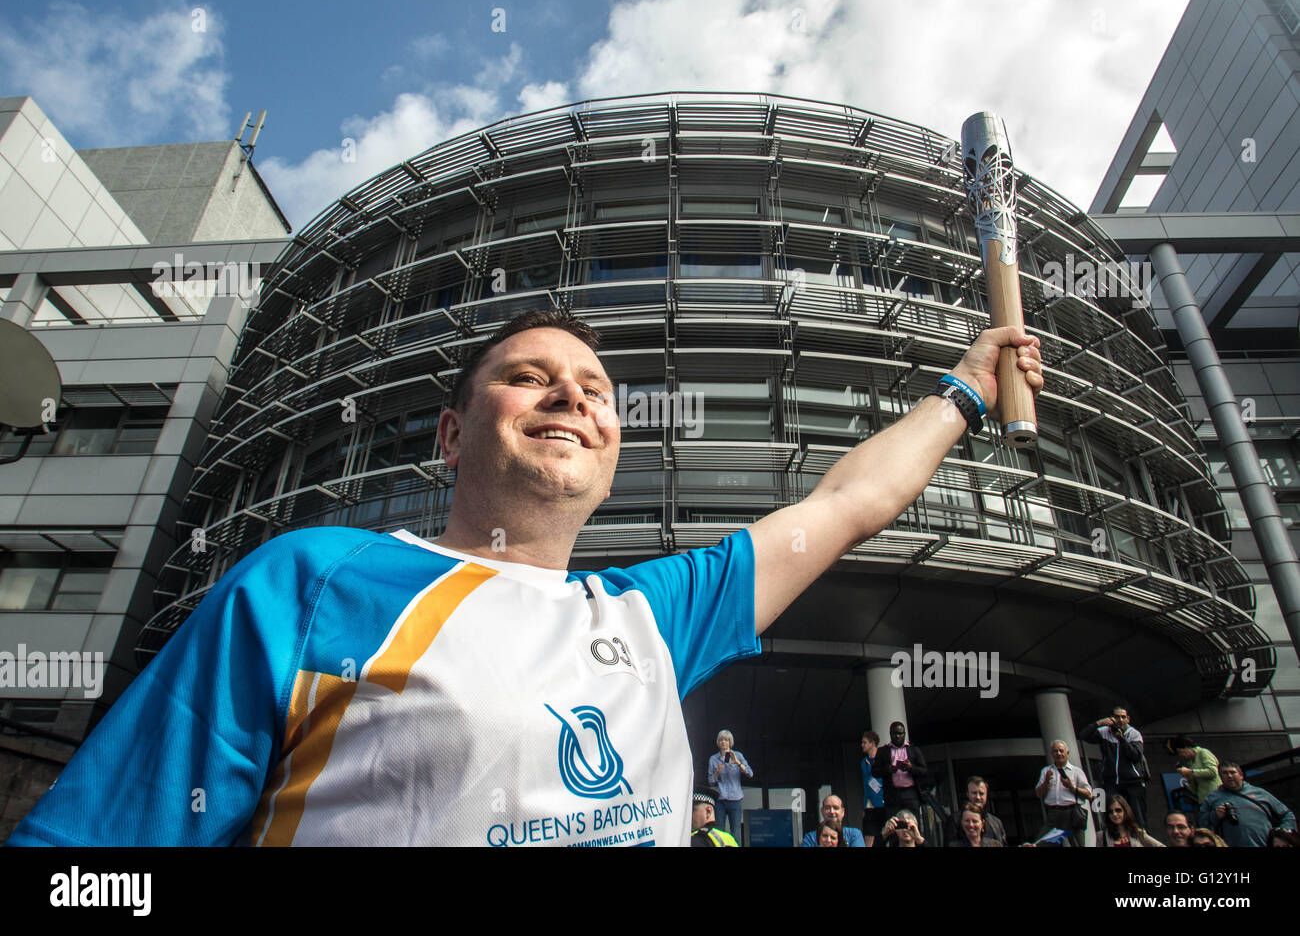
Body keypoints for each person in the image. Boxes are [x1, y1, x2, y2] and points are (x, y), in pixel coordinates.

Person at [8, 309, 1042, 846]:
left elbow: (844, 506)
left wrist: (962, 389)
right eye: (527, 376)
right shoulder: (311, 580)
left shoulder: (651, 614)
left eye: (594, 388)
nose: (569, 394)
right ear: (454, 434)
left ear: (610, 447)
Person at [1081, 706, 1150, 828]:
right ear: (1112, 718)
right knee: (1112, 816)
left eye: (1123, 717)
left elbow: (1135, 756)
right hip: (1111, 782)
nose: (1120, 720)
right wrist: (1098, 723)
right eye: (1117, 717)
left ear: (1128, 719)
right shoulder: (1104, 732)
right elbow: (1084, 735)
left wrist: (1122, 740)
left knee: (1138, 819)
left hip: (1133, 782)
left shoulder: (1134, 734)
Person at [1198, 762, 1297, 847]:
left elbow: (1288, 815)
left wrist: (1281, 834)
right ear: (1220, 777)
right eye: (1224, 773)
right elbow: (1202, 827)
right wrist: (1215, 816)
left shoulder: (1260, 793)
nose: (1229, 776)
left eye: (1232, 772)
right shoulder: (1212, 798)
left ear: (1241, 775)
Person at [1034, 740, 1094, 847]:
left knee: (1078, 844)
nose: (1058, 753)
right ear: (1052, 754)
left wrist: (1073, 788)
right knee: (1042, 844)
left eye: (1061, 751)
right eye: (1055, 751)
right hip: (1054, 814)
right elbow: (1039, 794)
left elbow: (1089, 795)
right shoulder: (1046, 771)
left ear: (1067, 753)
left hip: (1072, 813)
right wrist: (1046, 782)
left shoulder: (1076, 771)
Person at [872, 720, 929, 820]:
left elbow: (924, 770)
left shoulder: (913, 749)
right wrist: (887, 770)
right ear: (890, 734)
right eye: (895, 734)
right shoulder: (883, 751)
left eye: (900, 733)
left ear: (904, 734)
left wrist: (911, 768)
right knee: (893, 825)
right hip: (892, 794)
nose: (898, 736)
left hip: (910, 793)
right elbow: (874, 771)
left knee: (912, 823)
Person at [707, 729, 752, 841]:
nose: (723, 742)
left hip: (735, 799)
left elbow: (750, 773)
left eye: (726, 740)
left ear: (730, 742)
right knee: (719, 832)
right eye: (721, 740)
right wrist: (717, 772)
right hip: (720, 800)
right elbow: (710, 781)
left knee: (735, 832)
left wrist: (738, 762)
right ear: (718, 742)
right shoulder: (713, 759)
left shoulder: (738, 755)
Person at [946, 776, 1007, 847]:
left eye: (981, 793)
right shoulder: (955, 819)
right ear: (968, 795)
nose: (978, 797)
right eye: (974, 793)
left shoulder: (996, 822)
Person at [1167, 735, 1220, 805]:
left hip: (1216, 796)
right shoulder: (1190, 763)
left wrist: (1190, 772)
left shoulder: (1203, 753)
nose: (1182, 755)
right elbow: (1194, 789)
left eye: (1180, 752)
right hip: (1203, 800)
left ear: (1186, 747)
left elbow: (1212, 772)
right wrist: (1188, 777)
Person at [800, 794, 866, 847]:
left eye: (836, 808)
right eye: (827, 808)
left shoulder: (854, 834)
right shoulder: (810, 837)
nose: (831, 811)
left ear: (842, 812)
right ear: (822, 811)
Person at [1099, 794, 1165, 847]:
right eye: (1110, 812)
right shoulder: (1102, 836)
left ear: (1125, 811)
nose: (1114, 814)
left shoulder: (1137, 833)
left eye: (1118, 810)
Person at [860, 729, 886, 846]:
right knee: (869, 836)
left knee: (887, 835)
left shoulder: (883, 758)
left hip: (884, 803)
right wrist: (864, 806)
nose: (862, 745)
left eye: (864, 742)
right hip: (870, 805)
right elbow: (866, 785)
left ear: (872, 743)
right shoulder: (864, 762)